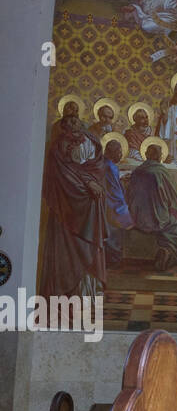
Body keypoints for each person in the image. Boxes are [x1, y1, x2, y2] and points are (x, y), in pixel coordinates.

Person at [41, 117, 108, 297]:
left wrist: (94, 182)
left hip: (91, 200)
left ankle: (90, 288)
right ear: (62, 127)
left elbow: (98, 165)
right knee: (71, 244)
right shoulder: (59, 146)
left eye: (75, 121)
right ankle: (72, 290)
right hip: (69, 202)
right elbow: (64, 171)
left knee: (88, 242)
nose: (73, 125)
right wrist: (88, 183)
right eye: (68, 123)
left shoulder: (92, 140)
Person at [126, 141, 177, 271]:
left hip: (137, 218)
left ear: (146, 155)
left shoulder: (136, 171)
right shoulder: (162, 171)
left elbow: (129, 196)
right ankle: (168, 252)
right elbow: (173, 199)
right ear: (159, 156)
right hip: (157, 218)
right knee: (176, 229)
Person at [101, 138, 134, 266]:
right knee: (116, 229)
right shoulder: (111, 167)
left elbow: (109, 182)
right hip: (111, 206)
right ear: (112, 152)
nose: (121, 155)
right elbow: (115, 193)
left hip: (103, 203)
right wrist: (124, 208)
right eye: (119, 152)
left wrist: (120, 177)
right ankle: (113, 259)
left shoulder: (104, 163)